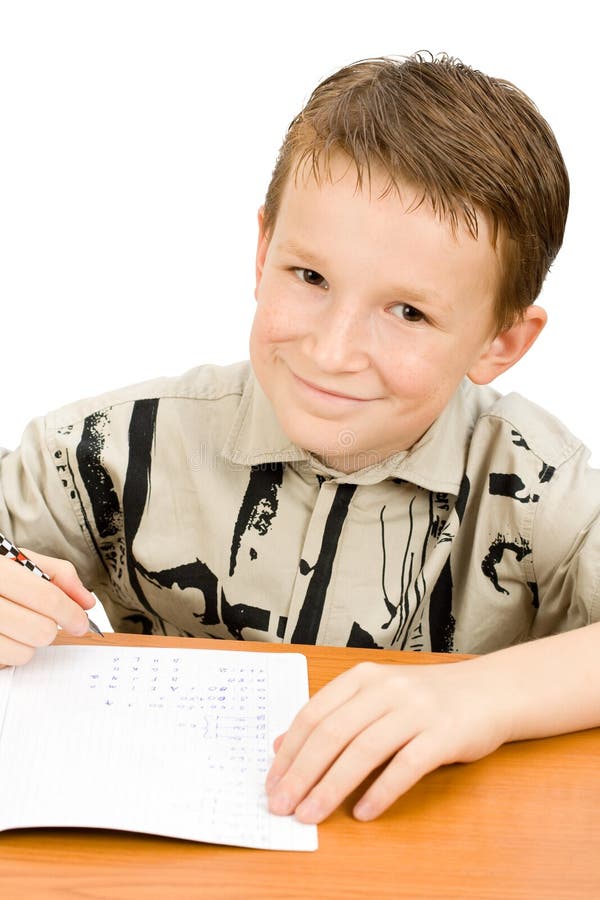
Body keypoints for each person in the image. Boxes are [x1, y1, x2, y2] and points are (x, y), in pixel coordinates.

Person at [1, 52, 599, 826]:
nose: (331, 350)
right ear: (262, 250)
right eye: (310, 278)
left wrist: (483, 696)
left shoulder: (541, 484)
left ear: (501, 342)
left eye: (408, 312)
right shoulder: (105, 449)